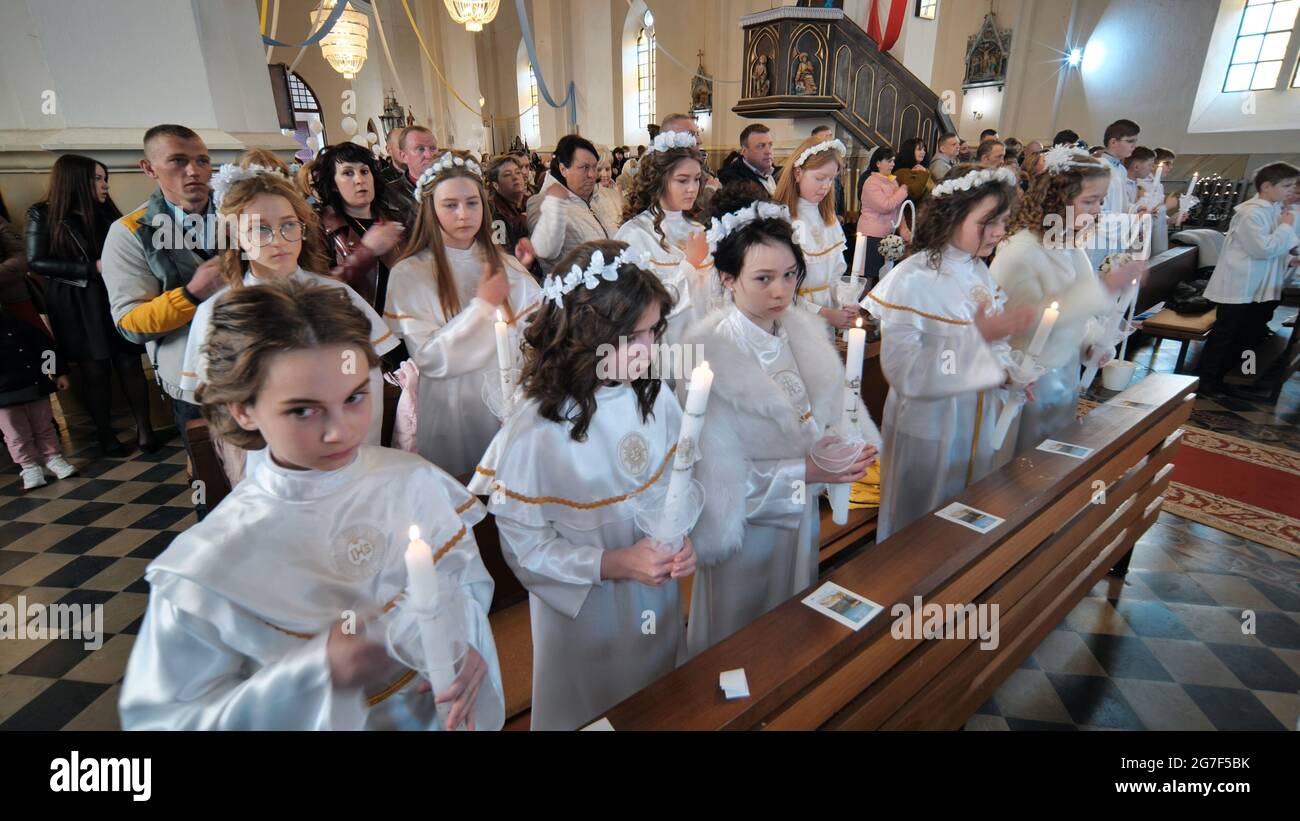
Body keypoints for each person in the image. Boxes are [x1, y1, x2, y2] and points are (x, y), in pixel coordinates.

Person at [119, 278, 504, 731]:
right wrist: (312, 674)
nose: (339, 432)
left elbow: (464, 586)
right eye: (303, 409)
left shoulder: (413, 480)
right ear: (244, 409)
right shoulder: (209, 563)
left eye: (354, 397)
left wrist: (458, 640)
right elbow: (167, 719)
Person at [469, 240, 696, 730]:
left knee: (656, 697)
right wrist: (613, 562)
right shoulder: (537, 429)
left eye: (654, 332)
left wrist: (681, 540)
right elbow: (525, 547)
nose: (649, 348)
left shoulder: (653, 397)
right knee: (594, 707)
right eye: (635, 337)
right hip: (585, 609)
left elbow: (677, 485)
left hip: (653, 590)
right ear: (588, 336)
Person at [683, 188, 878, 655]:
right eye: (764, 278)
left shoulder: (799, 331)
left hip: (798, 513)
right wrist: (806, 472)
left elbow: (821, 414)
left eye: (790, 275)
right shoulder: (709, 357)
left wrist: (835, 444)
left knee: (790, 625)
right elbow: (713, 481)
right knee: (741, 639)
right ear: (727, 279)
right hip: (747, 531)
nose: (781, 291)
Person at [178, 165, 397, 467]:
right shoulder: (218, 311)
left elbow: (369, 376)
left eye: (289, 225)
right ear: (235, 233)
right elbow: (217, 398)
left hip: (347, 445)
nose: (278, 239)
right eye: (260, 228)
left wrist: (359, 446)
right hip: (265, 456)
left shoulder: (337, 295)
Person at [863, 165, 1035, 539]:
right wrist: (975, 341)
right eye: (987, 221)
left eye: (1003, 221)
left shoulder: (979, 273)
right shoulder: (914, 278)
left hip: (975, 414)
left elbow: (996, 342)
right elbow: (905, 371)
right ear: (952, 215)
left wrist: (1007, 371)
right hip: (931, 421)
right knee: (922, 522)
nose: (999, 232)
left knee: (965, 513)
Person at [385, 151, 541, 475]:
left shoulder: (504, 262)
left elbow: (534, 331)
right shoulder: (410, 273)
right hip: (452, 408)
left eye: (472, 203)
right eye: (450, 205)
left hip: (505, 400)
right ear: (431, 209)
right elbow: (431, 359)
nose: (463, 214)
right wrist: (481, 307)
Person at [990, 145, 1138, 453]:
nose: (1097, 210)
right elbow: (1027, 319)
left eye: (1100, 201)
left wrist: (1092, 342)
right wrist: (1104, 288)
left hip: (1064, 372)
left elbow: (1077, 318)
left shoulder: (1070, 246)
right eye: (1089, 201)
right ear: (1057, 200)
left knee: (1050, 460)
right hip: (1027, 379)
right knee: (1017, 462)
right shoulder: (1020, 252)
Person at [102, 124, 225, 472]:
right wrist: (190, 294)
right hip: (195, 383)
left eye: (202, 160)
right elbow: (130, 325)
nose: (195, 171)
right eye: (178, 161)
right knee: (216, 486)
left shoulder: (238, 215)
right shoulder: (130, 232)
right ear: (149, 168)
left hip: (260, 370)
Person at [25, 154, 158, 456]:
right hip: (76, 301)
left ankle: (145, 430)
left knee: (129, 362)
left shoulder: (106, 213)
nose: (104, 185)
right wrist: (91, 268)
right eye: (97, 179)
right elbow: (36, 262)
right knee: (95, 369)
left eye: (104, 178)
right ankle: (105, 434)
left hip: (113, 294)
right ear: (75, 181)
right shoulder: (42, 213)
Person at [1200, 162, 1300, 396]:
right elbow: (1262, 249)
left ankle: (1241, 377)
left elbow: (1282, 244)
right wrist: (1286, 228)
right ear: (1266, 186)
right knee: (1226, 335)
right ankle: (1208, 380)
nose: (1290, 190)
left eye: (1292, 186)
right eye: (1286, 185)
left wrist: (1293, 251)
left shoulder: (1274, 209)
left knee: (1252, 335)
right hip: (1240, 286)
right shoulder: (1250, 212)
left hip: (1261, 288)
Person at [615, 131, 713, 340]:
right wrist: (690, 265)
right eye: (682, 180)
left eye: (696, 180)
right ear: (659, 181)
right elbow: (643, 307)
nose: (692, 189)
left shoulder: (697, 228)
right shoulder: (634, 234)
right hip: (662, 347)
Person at [312, 142, 407, 317]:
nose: (359, 180)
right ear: (333, 184)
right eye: (348, 173)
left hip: (403, 321)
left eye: (364, 171)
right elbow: (320, 292)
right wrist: (366, 252)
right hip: (360, 327)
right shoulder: (321, 227)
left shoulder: (395, 216)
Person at [772, 135, 856, 330]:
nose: (826, 186)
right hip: (796, 320)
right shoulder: (782, 219)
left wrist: (845, 300)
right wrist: (824, 314)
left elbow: (835, 274)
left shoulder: (828, 218)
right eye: (819, 178)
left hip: (828, 317)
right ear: (798, 173)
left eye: (831, 179)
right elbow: (777, 289)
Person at [0, 304, 79, 490]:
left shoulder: (20, 326)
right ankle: (28, 466)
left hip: (35, 386)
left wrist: (56, 373)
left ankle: (53, 458)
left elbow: (46, 349)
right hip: (4, 396)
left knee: (44, 426)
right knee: (16, 435)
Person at [525, 135, 618, 274]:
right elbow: (552, 259)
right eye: (585, 168)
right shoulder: (542, 204)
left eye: (594, 167)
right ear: (563, 169)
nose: (593, 175)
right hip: (580, 291)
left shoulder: (608, 196)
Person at [856, 146, 911, 282]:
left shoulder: (892, 181)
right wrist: (903, 191)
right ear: (878, 163)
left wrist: (904, 230)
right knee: (868, 277)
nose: (892, 164)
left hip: (889, 235)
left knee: (885, 277)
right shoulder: (871, 182)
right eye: (889, 161)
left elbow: (898, 208)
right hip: (871, 235)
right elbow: (885, 206)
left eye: (893, 161)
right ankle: (861, 302)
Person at [383, 126, 439, 224]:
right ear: (403, 156)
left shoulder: (451, 184)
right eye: (420, 149)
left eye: (433, 148)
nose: (429, 155)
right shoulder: (389, 194)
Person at [718, 124, 780, 194]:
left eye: (770, 145)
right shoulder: (732, 179)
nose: (768, 151)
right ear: (744, 151)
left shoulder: (779, 173)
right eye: (760, 146)